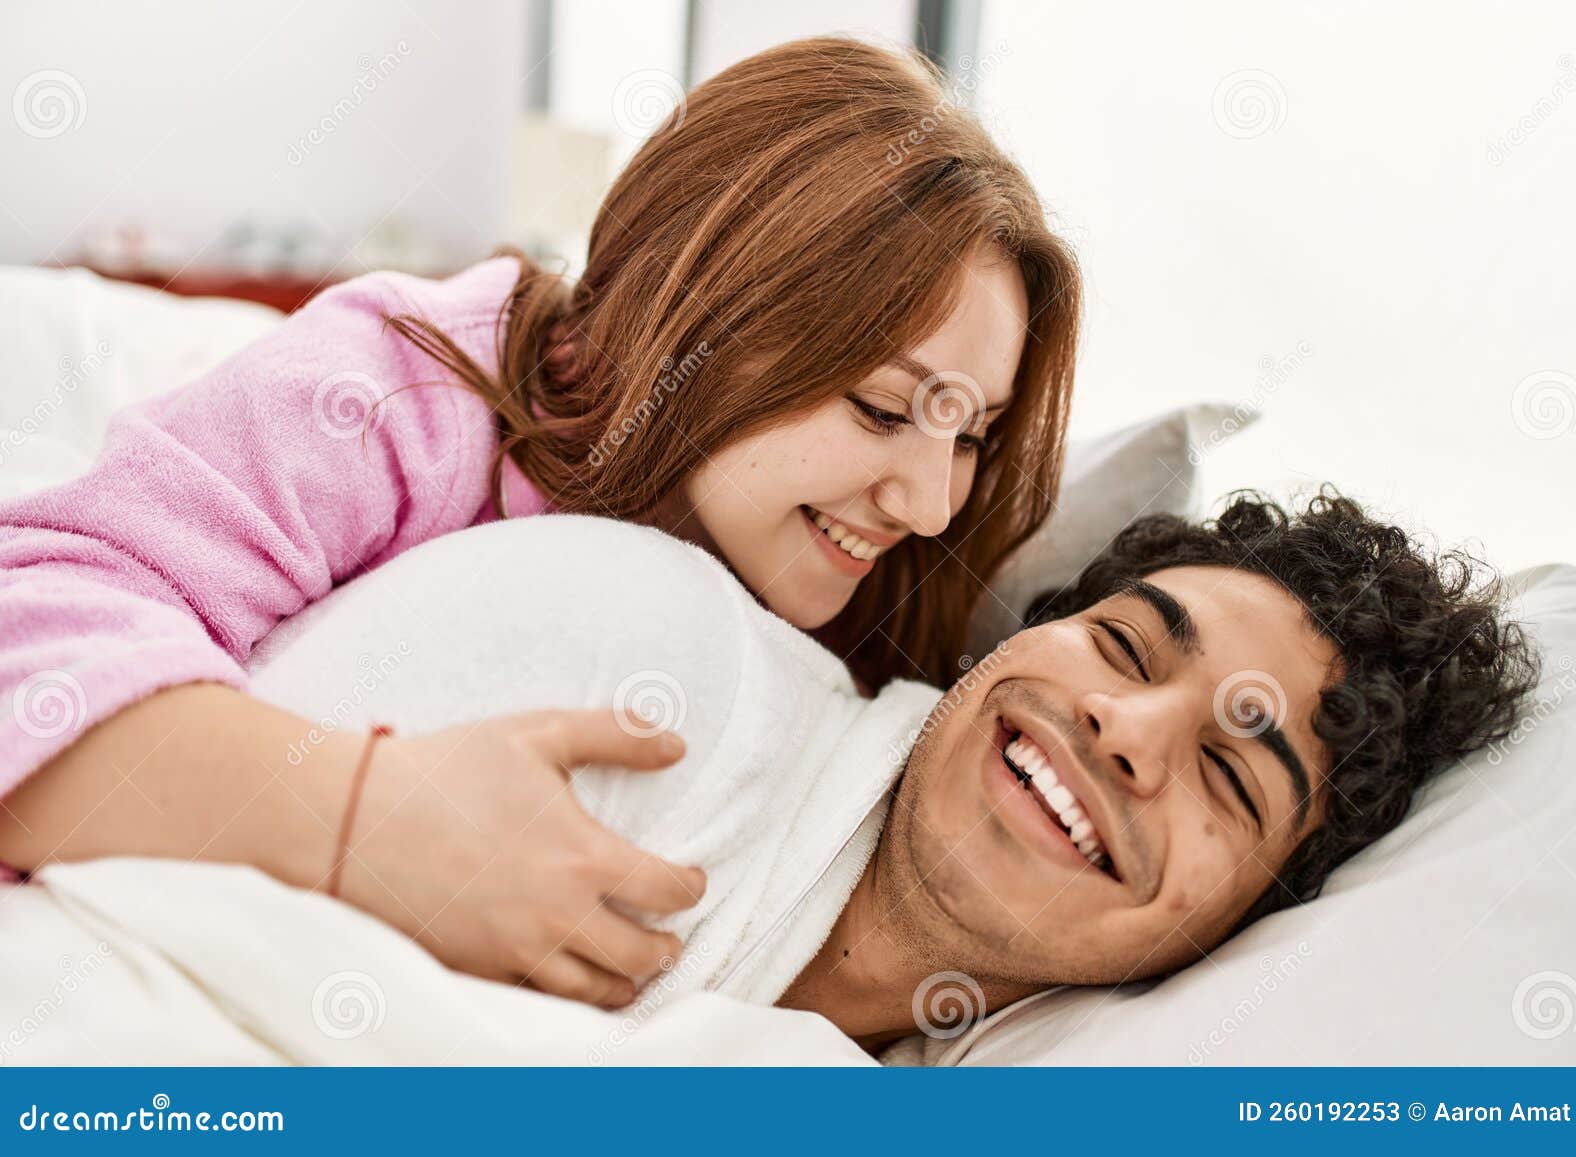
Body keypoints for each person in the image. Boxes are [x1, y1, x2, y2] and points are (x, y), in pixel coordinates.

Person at [0, 36, 1080, 1006]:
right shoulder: (409, 390)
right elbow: (34, 625)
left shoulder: (885, 590)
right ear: (699, 315)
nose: (931, 501)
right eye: (882, 408)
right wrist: (366, 822)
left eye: (970, 433)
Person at [23, 488, 1528, 1048]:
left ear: (1245, 922)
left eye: (1231, 779)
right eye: (1131, 651)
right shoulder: (646, 655)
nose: (1128, 736)